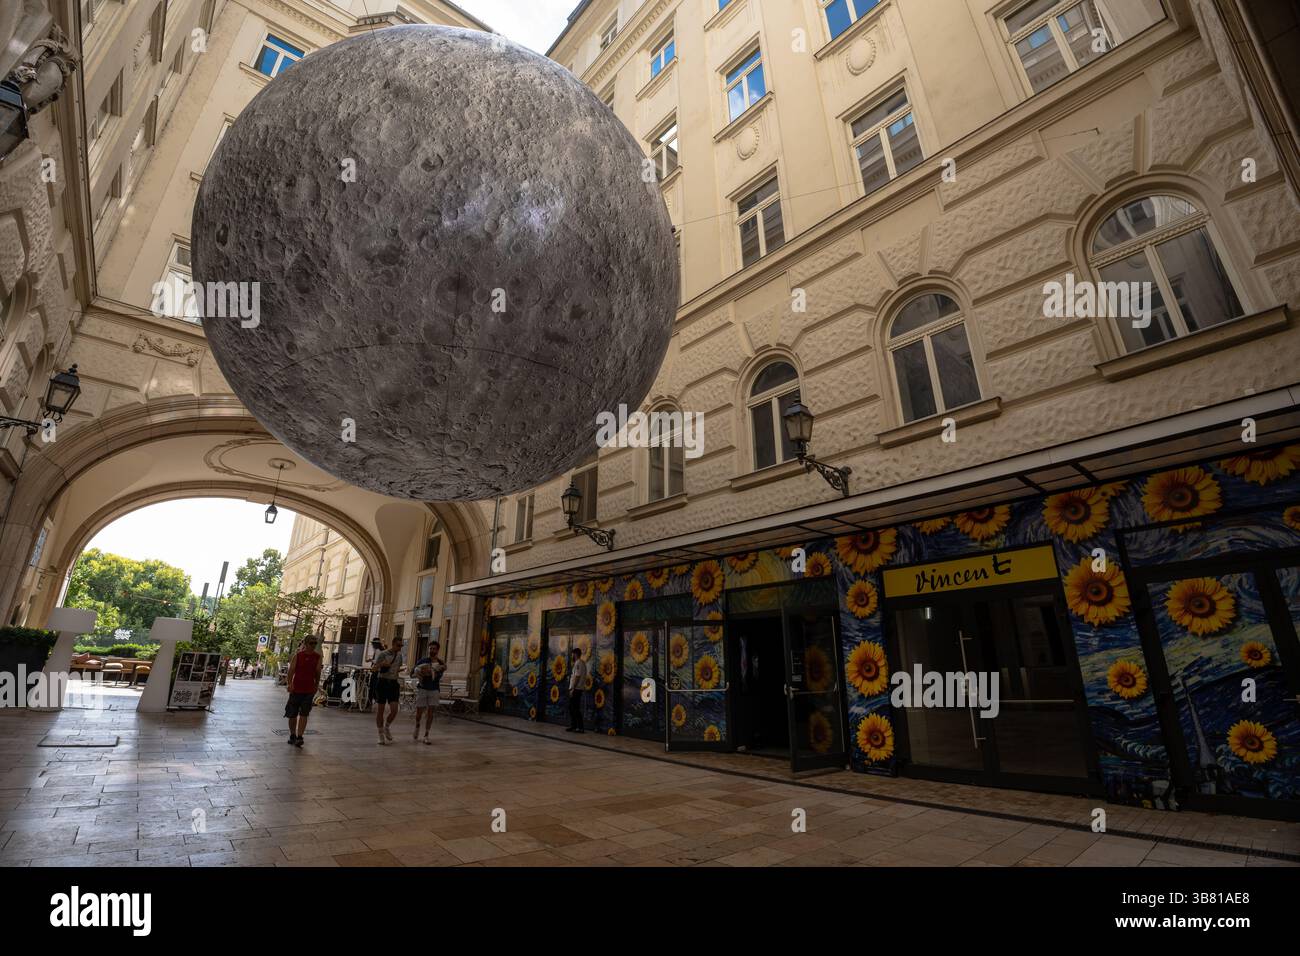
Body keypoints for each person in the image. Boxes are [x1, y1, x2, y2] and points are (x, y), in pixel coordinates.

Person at [284, 636, 323, 748]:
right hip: (296, 689)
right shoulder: (298, 656)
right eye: (311, 643)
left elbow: (317, 673)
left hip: (309, 690)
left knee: (304, 713)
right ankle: (292, 735)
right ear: (305, 643)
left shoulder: (318, 657)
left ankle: (300, 737)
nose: (313, 645)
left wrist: (316, 685)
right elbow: (291, 671)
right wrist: (290, 684)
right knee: (292, 714)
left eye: (315, 643)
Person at [411, 641, 447, 744]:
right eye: (430, 648)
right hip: (422, 688)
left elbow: (439, 675)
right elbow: (411, 673)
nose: (432, 650)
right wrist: (421, 672)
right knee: (419, 713)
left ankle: (426, 735)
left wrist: (437, 671)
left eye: (434, 648)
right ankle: (417, 725)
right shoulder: (422, 660)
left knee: (430, 713)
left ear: (438, 650)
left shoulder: (441, 663)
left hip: (434, 689)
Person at [370, 635, 404, 745]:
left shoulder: (399, 656)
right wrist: (382, 664)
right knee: (381, 709)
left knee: (394, 709)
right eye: (398, 645)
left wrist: (399, 670)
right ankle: (380, 734)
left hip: (393, 683)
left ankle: (387, 727)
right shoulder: (383, 654)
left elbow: (397, 668)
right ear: (393, 644)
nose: (400, 648)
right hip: (383, 682)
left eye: (401, 646)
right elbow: (374, 668)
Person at [566, 646, 588, 733]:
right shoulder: (581, 663)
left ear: (575, 654)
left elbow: (577, 677)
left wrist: (572, 688)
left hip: (576, 689)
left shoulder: (578, 663)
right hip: (577, 688)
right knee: (572, 708)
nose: (572, 656)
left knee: (575, 708)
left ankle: (580, 727)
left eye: (572, 654)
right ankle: (574, 726)